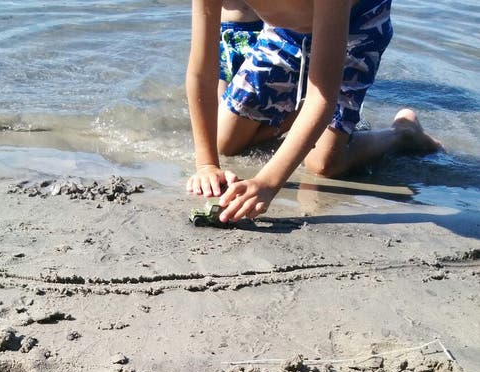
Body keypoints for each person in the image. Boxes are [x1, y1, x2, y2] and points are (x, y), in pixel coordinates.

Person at [186, 0, 443, 222]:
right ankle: (304, 120)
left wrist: (267, 182)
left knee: (324, 164)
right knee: (225, 141)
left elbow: (322, 98)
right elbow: (202, 74)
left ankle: (403, 133)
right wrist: (207, 164)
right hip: (284, 32)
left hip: (357, 25)